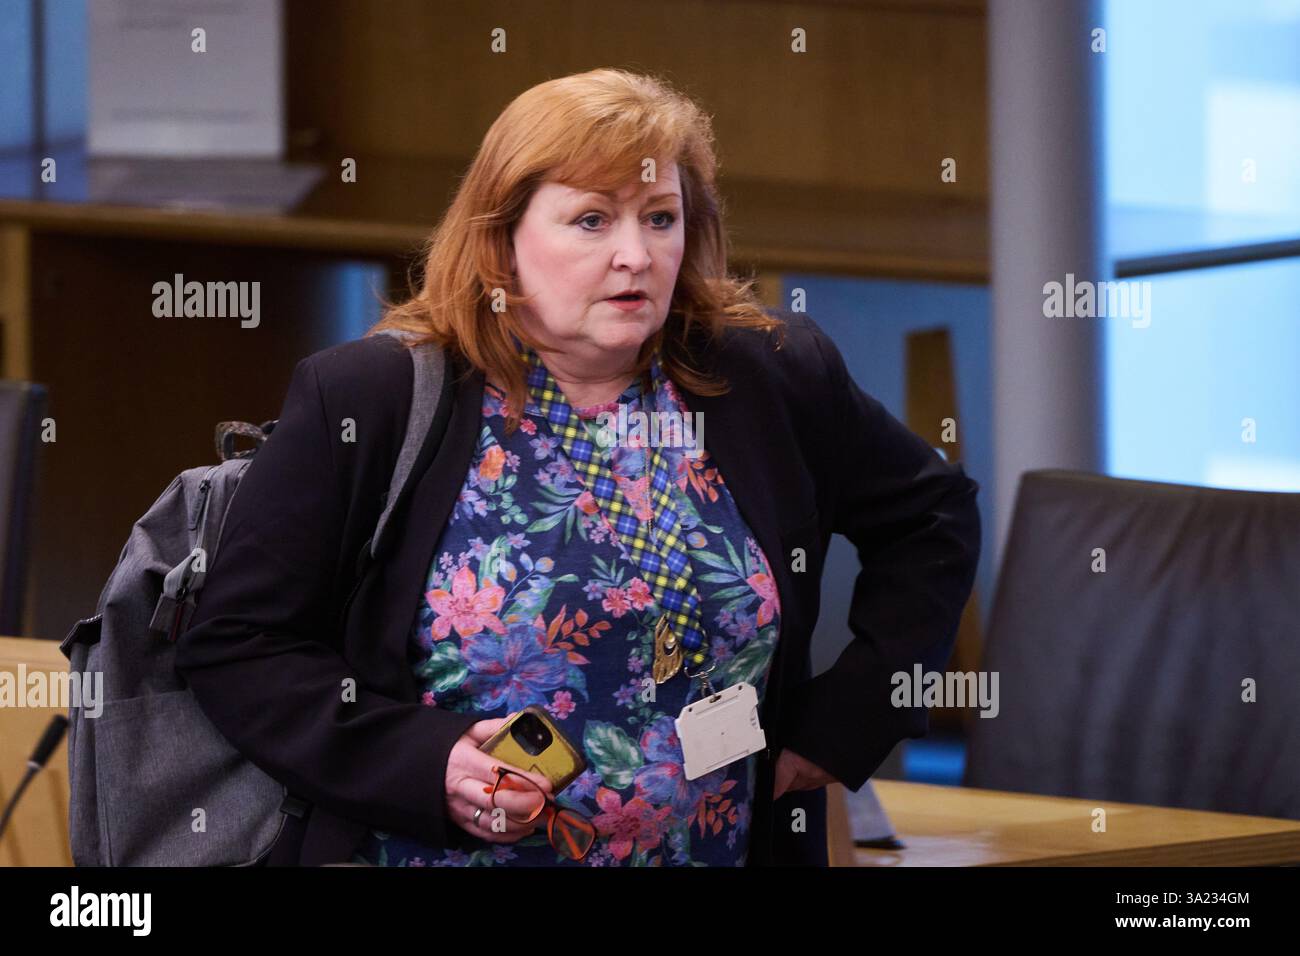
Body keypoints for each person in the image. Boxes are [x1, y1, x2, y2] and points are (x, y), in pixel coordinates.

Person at [176, 67, 981, 867]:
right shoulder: (372, 396)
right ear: (501, 241)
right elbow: (240, 643)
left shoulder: (766, 375)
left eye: (660, 218)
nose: (635, 255)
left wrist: (852, 718)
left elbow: (931, 517)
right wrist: (428, 761)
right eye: (591, 221)